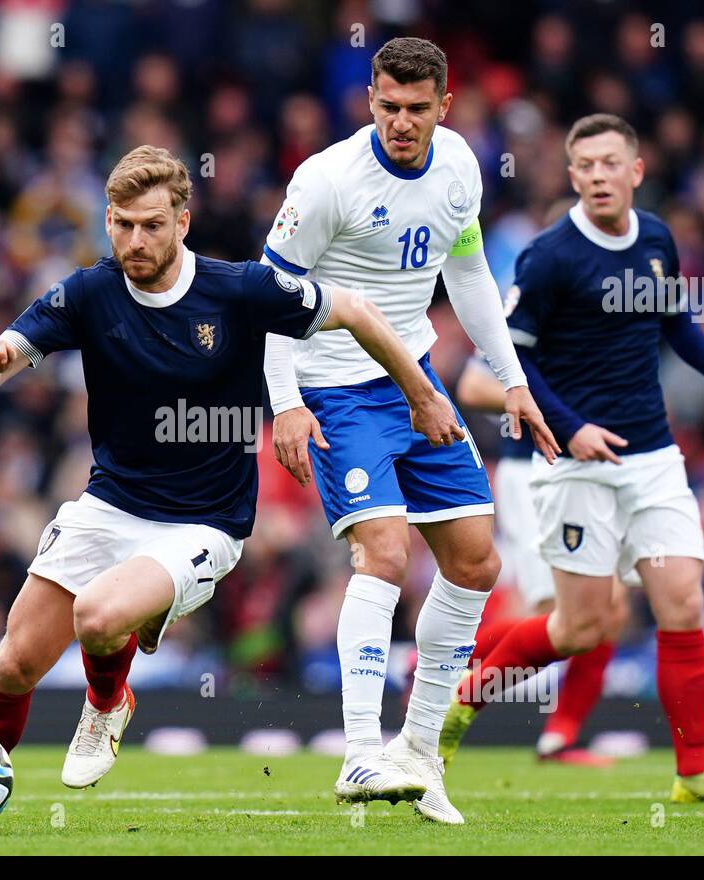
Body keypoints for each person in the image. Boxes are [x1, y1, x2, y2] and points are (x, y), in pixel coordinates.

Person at [0, 145, 445, 831]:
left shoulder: (240, 290)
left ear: (182, 221)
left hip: (204, 522)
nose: (135, 239)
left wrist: (422, 395)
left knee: (97, 616)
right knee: (14, 662)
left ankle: (105, 704)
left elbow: (360, 311)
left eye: (152, 225)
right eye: (123, 224)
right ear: (107, 218)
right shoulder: (87, 294)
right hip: (109, 504)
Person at [263, 37, 556, 823]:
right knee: (385, 551)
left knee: (475, 561)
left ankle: (419, 754)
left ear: (444, 106)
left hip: (415, 380)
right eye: (388, 106)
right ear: (369, 100)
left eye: (417, 109)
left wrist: (516, 381)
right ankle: (361, 751)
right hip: (334, 385)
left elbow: (468, 278)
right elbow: (271, 294)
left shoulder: (460, 165)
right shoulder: (326, 180)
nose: (401, 122)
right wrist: (285, 400)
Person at [438, 114, 704, 806]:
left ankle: (693, 774)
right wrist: (571, 425)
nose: (598, 176)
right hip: (573, 463)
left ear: (635, 171)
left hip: (652, 455)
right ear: (572, 174)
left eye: (611, 163)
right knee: (577, 625)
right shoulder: (550, 256)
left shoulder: (657, 239)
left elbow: (673, 318)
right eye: (584, 166)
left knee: (683, 602)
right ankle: (464, 694)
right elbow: (510, 355)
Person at [452, 353, 628, 766]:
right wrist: (559, 407)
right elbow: (472, 387)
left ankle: (560, 737)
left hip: (588, 469)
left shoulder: (602, 309)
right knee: (563, 616)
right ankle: (442, 661)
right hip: (534, 471)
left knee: (610, 610)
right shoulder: (529, 296)